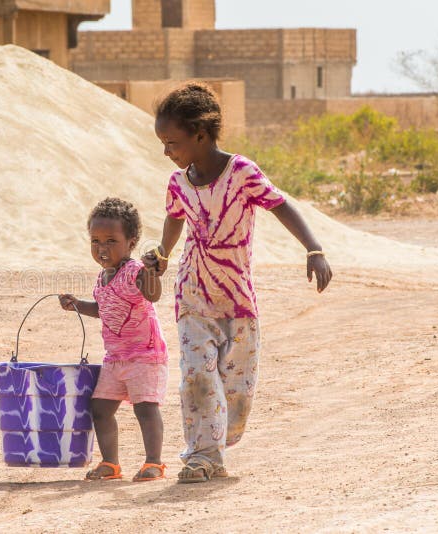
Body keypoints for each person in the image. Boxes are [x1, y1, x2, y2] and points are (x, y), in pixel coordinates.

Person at [143, 82, 333, 483]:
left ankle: (215, 446)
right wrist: (161, 254)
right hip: (193, 296)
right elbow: (175, 216)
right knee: (196, 377)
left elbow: (280, 204)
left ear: (200, 134)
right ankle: (201, 455)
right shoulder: (178, 183)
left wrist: (313, 249)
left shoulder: (242, 173)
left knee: (236, 389)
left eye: (172, 142)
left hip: (237, 302)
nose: (167, 152)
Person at [59, 197, 169, 482]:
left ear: (131, 242)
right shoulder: (102, 277)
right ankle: (111, 463)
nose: (102, 248)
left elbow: (152, 295)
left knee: (145, 408)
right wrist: (77, 305)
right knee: (100, 409)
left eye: (110, 241)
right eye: (95, 241)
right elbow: (103, 310)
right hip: (115, 358)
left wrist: (151, 274)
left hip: (144, 355)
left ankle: (153, 463)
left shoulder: (134, 272)